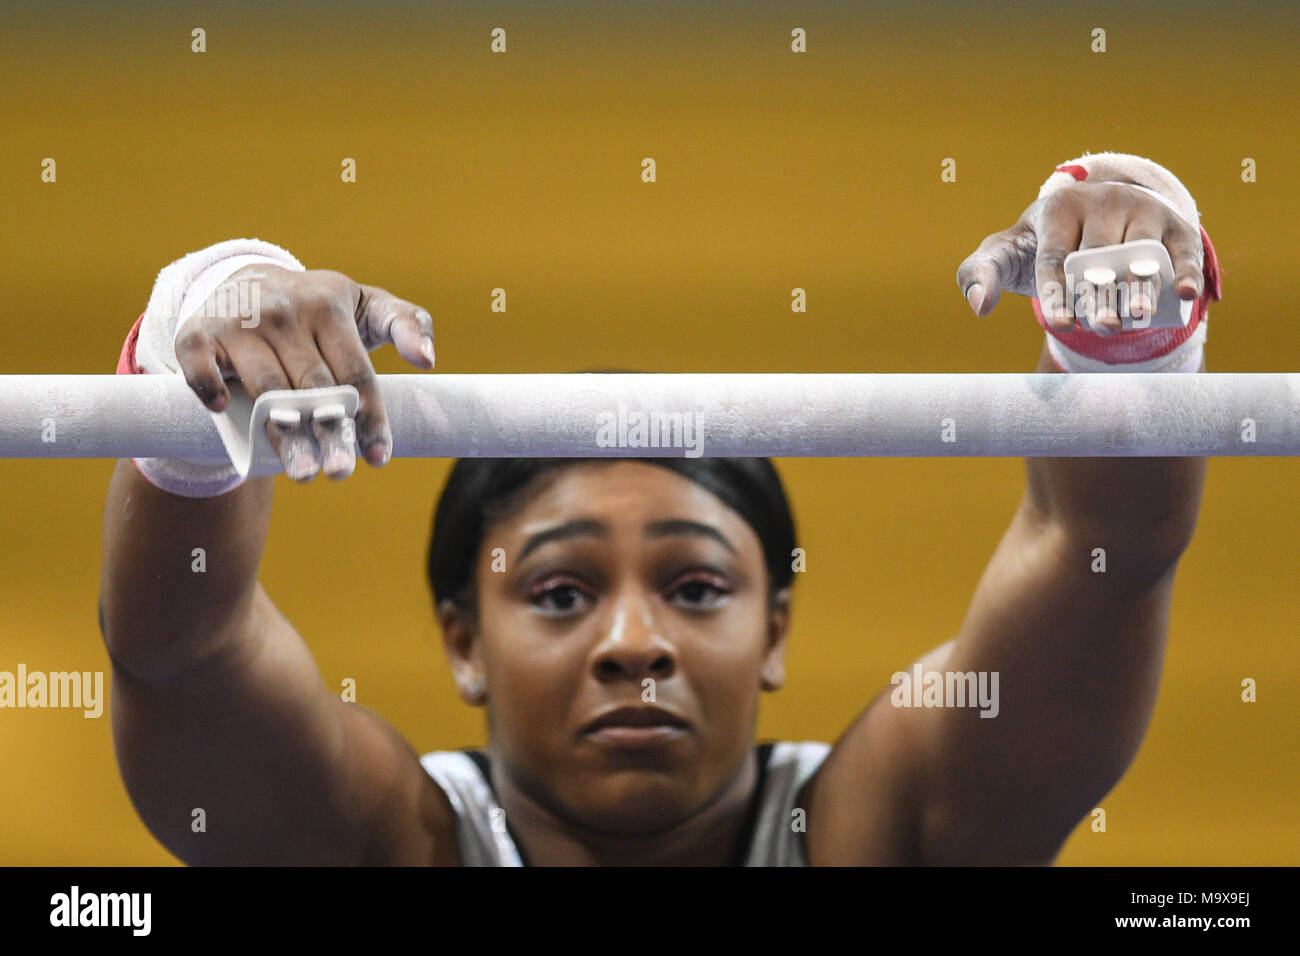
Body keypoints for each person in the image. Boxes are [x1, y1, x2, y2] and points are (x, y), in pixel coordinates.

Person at [98, 151, 1222, 865]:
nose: (633, 642)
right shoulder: (391, 840)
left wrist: (1124, 345)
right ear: (462, 637)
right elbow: (178, 647)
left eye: (694, 586)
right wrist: (206, 350)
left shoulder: (876, 832)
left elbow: (1103, 549)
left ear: (774, 625)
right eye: (558, 590)